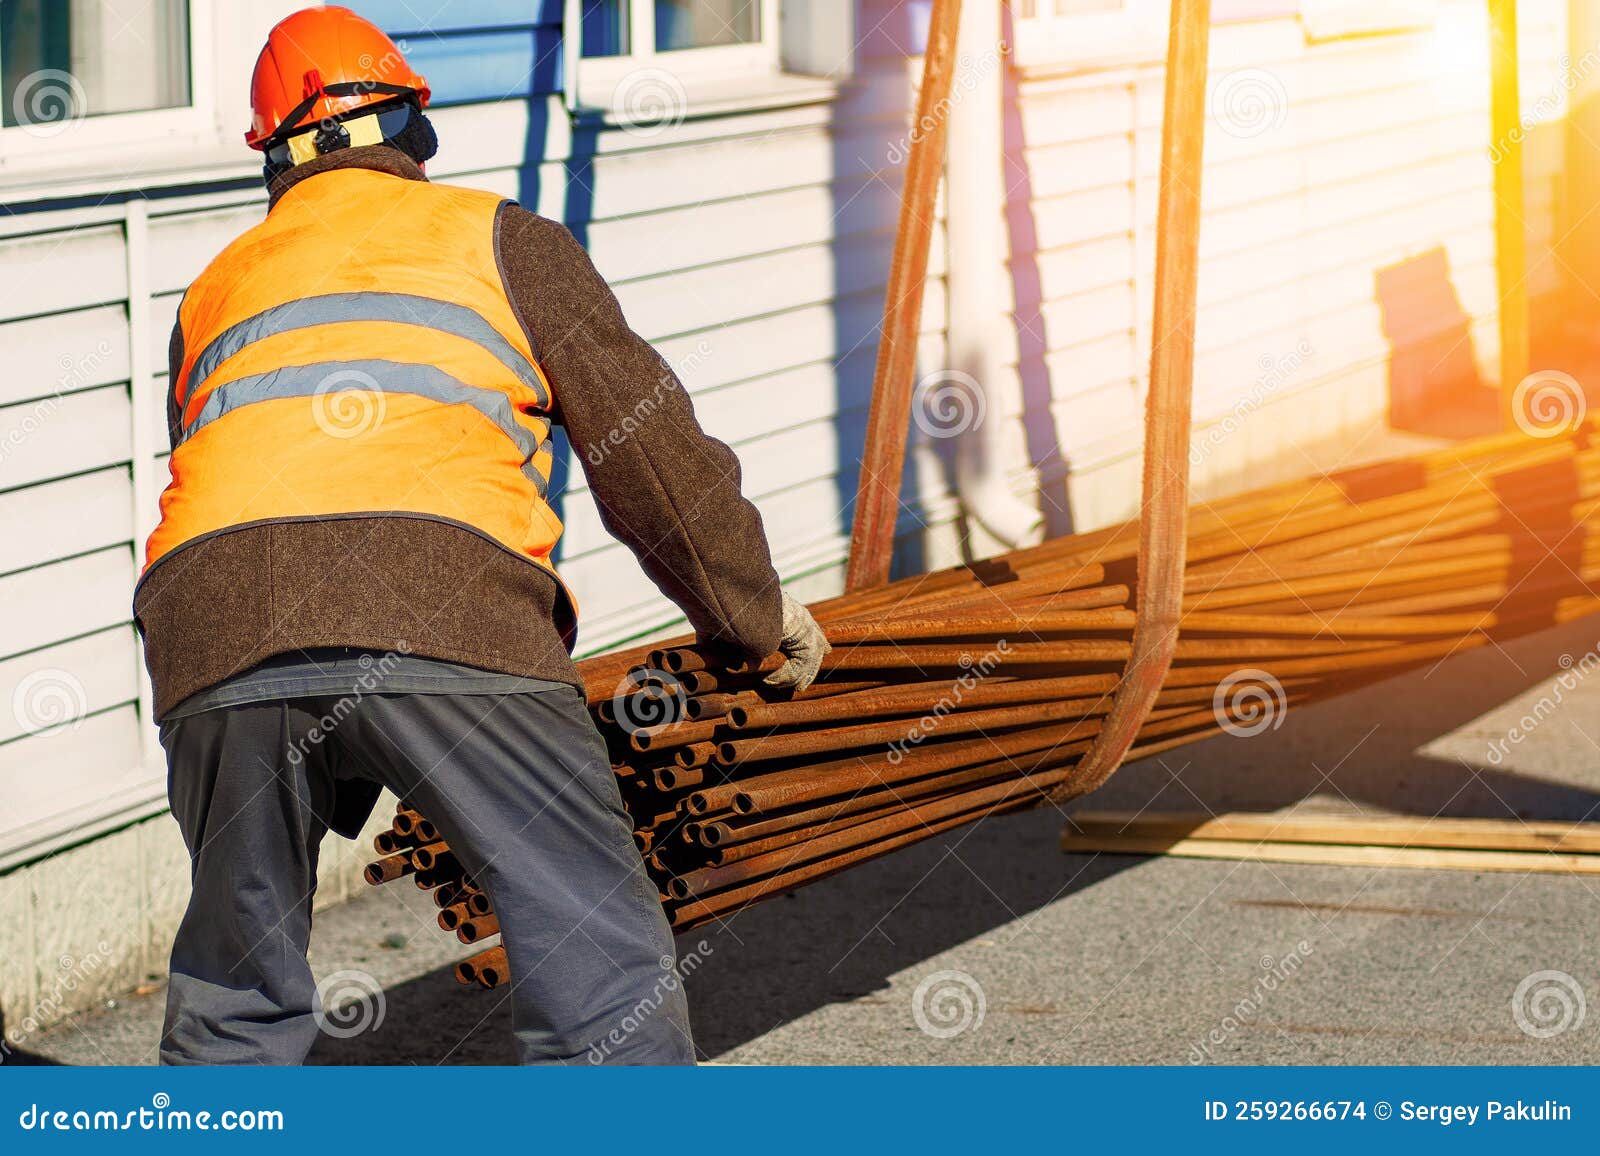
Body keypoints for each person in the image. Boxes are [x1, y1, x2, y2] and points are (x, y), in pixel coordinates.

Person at [135, 4, 827, 1066]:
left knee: (236, 990)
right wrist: (751, 615)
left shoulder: (215, 290)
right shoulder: (502, 239)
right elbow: (651, 461)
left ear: (272, 159)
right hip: (445, 608)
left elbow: (251, 503)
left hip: (209, 632)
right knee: (596, 965)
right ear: (415, 131)